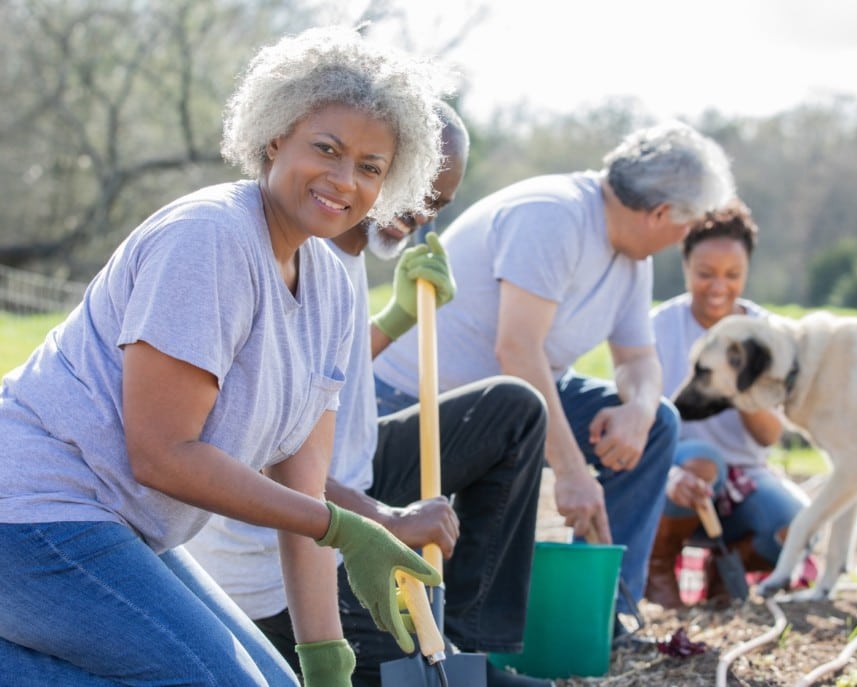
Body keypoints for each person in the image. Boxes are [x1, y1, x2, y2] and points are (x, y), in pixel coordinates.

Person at [0, 26, 449, 687]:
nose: (343, 180)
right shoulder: (209, 238)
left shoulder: (330, 286)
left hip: (119, 525)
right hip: (31, 505)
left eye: (370, 167)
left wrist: (327, 662)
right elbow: (162, 453)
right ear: (275, 138)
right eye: (326, 149)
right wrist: (347, 528)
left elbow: (302, 486)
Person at [186, 103, 553, 687]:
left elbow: (327, 379)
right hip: (284, 548)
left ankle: (470, 641)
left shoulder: (345, 255)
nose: (421, 212)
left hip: (351, 472)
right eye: (416, 189)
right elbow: (265, 449)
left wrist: (397, 318)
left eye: (437, 202)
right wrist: (384, 520)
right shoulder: (305, 246)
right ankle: (454, 664)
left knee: (512, 410)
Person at [372, 122, 738, 625]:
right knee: (518, 418)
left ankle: (602, 614)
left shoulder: (634, 257)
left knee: (658, 425)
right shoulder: (554, 217)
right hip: (415, 401)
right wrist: (571, 472)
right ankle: (477, 626)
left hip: (512, 399)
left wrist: (638, 409)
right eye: (687, 225)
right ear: (659, 213)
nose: (684, 238)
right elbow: (518, 351)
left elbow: (638, 359)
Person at [644, 201, 813, 608]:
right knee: (704, 460)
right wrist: (670, 474)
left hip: (747, 475)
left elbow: (769, 434)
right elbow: (644, 418)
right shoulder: (659, 327)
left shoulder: (766, 334)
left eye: (733, 275)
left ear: (747, 270)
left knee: (798, 529)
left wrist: (737, 382)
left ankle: (723, 569)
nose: (719, 286)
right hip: (676, 473)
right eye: (705, 274)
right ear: (685, 264)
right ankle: (658, 566)